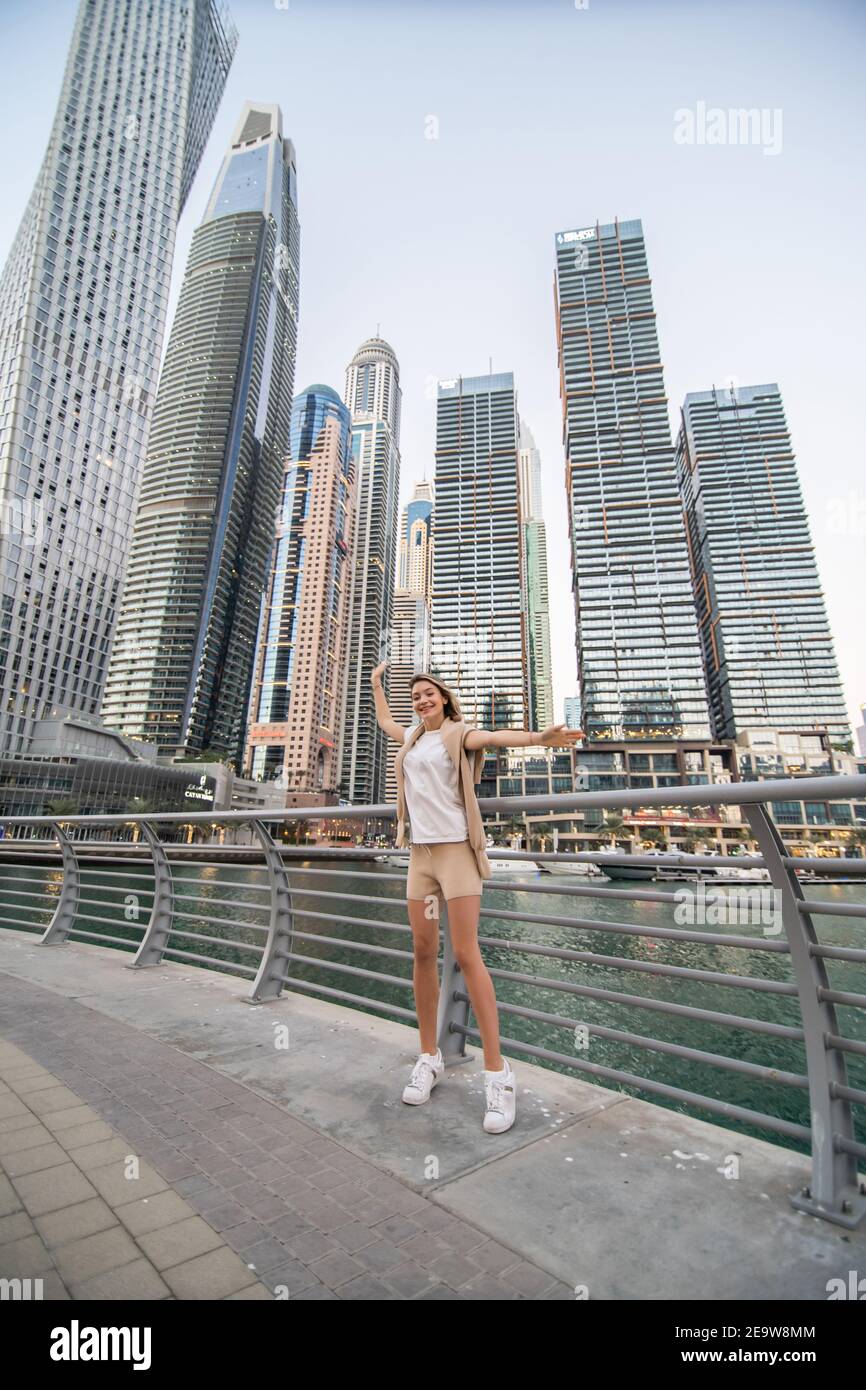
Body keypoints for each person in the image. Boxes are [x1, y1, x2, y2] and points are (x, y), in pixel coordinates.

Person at [370, 659, 583, 1134]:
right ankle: (429, 1057)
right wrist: (375, 684)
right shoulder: (411, 737)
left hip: (456, 856)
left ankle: (497, 1073)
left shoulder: (456, 733)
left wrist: (539, 740)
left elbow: (493, 738)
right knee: (423, 951)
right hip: (421, 858)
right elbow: (385, 722)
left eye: (429, 693)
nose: (422, 699)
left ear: (443, 698)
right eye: (416, 696)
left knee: (467, 954)